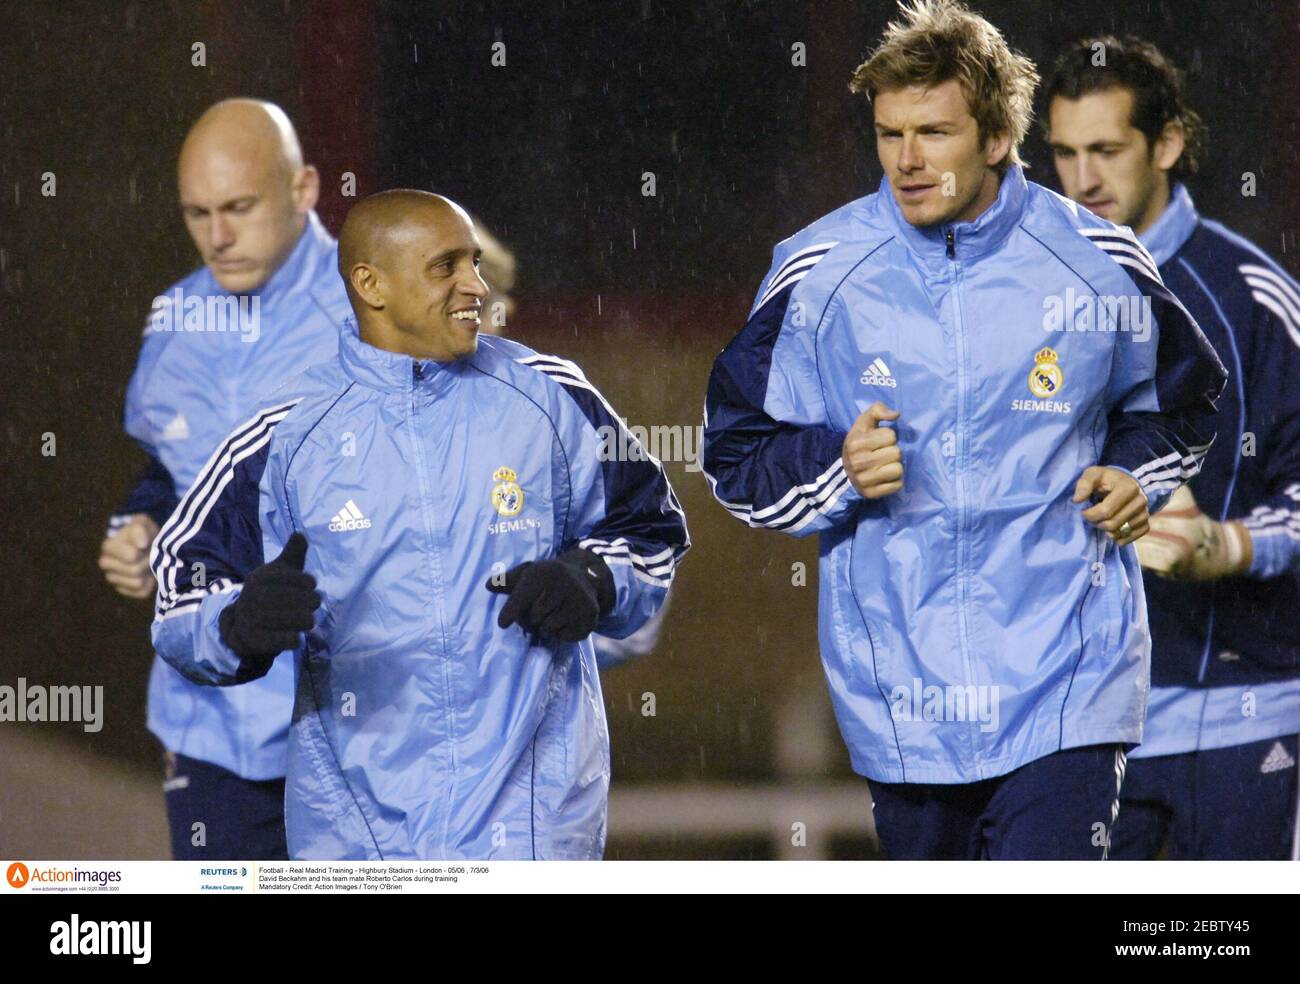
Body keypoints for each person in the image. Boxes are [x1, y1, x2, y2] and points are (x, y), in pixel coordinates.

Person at [701, 0, 1225, 860]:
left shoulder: (1096, 260)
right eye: (889, 134)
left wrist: (1136, 472)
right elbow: (733, 456)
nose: (906, 161)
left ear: (996, 139)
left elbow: (1186, 402)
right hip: (903, 704)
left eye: (934, 133)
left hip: (1068, 684)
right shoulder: (819, 272)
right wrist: (836, 467)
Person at [148, 190, 689, 859]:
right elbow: (181, 593)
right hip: (358, 846)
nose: (476, 285)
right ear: (370, 284)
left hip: (532, 837)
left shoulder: (551, 396)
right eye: (446, 267)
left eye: (475, 263)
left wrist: (592, 579)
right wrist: (235, 627)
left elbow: (652, 528)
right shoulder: (283, 434)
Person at [1047, 35, 1300, 860]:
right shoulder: (1027, 296)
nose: (1083, 180)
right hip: (1078, 724)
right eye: (1065, 153)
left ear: (1167, 146)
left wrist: (1227, 546)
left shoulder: (1253, 302)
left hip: (1244, 714)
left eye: (1108, 151)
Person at [98, 99, 349, 860]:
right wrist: (136, 527)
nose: (218, 236)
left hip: (355, 715)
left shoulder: (378, 307)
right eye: (197, 213)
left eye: (239, 207)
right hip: (208, 716)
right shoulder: (174, 318)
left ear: (304, 189)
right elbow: (174, 469)